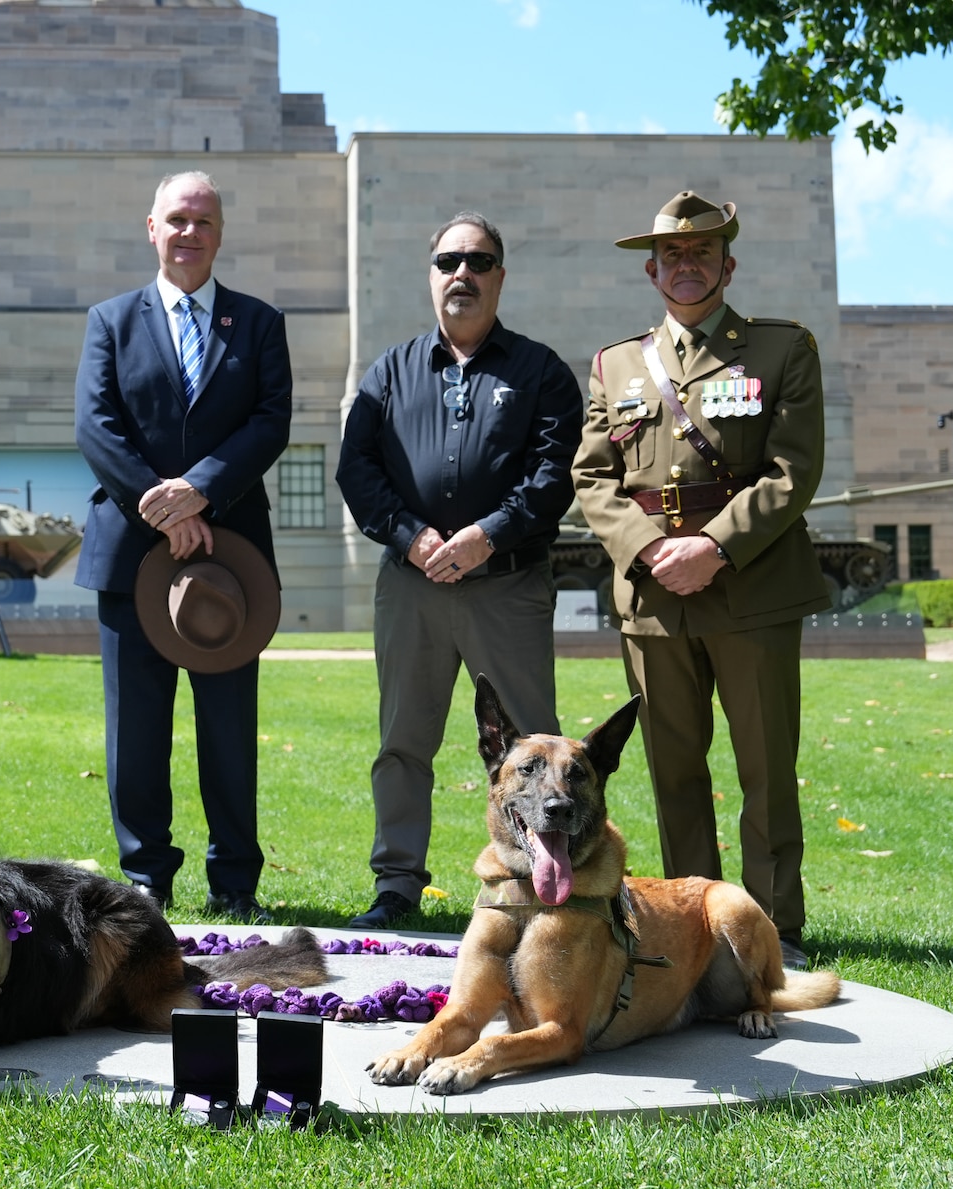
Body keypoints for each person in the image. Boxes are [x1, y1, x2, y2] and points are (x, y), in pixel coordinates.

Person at [571, 191, 830, 969]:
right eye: (674, 255)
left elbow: (795, 470)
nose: (688, 266)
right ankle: (696, 927)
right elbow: (592, 477)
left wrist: (714, 546)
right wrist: (651, 551)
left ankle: (775, 926)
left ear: (728, 264)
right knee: (674, 770)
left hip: (749, 587)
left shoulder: (782, 349)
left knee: (764, 767)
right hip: (654, 599)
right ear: (653, 270)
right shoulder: (615, 364)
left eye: (703, 253)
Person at [335, 211, 584, 930]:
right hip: (412, 588)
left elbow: (552, 475)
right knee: (402, 741)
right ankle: (396, 886)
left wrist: (485, 535)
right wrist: (412, 538)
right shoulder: (390, 372)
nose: (462, 275)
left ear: (500, 277)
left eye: (478, 262)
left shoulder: (538, 372)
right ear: (431, 275)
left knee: (537, 752)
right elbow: (359, 469)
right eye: (448, 262)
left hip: (505, 585)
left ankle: (541, 884)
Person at [74, 171, 292, 923]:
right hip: (130, 556)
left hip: (230, 561)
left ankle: (235, 880)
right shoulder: (110, 321)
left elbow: (269, 423)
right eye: (176, 219)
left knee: (228, 731)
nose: (189, 232)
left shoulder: (259, 323)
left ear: (220, 232)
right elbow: (96, 427)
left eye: (203, 220)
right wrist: (165, 511)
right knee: (135, 731)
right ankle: (146, 877)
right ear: (152, 229)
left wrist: (201, 490)